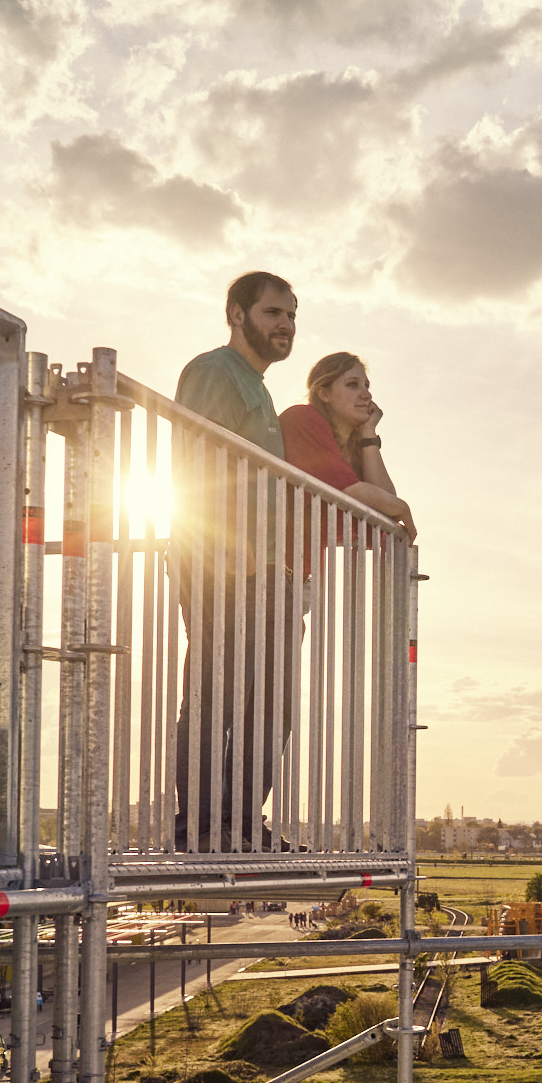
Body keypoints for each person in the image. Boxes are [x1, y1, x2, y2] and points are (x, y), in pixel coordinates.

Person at [170, 270, 301, 852]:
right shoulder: (214, 371)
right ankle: (201, 826)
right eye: (274, 313)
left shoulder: (258, 386)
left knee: (268, 705)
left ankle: (244, 823)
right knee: (214, 697)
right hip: (220, 564)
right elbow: (193, 460)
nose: (286, 325)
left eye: (292, 315)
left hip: (263, 571)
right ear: (237, 314)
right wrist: (221, 545)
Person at [277, 351, 415, 535]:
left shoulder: (347, 449)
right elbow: (355, 492)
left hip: (299, 562)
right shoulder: (302, 418)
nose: (367, 395)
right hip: (265, 557)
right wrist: (403, 508)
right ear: (324, 394)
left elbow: (386, 507)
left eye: (366, 386)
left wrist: (368, 435)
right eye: (353, 385)